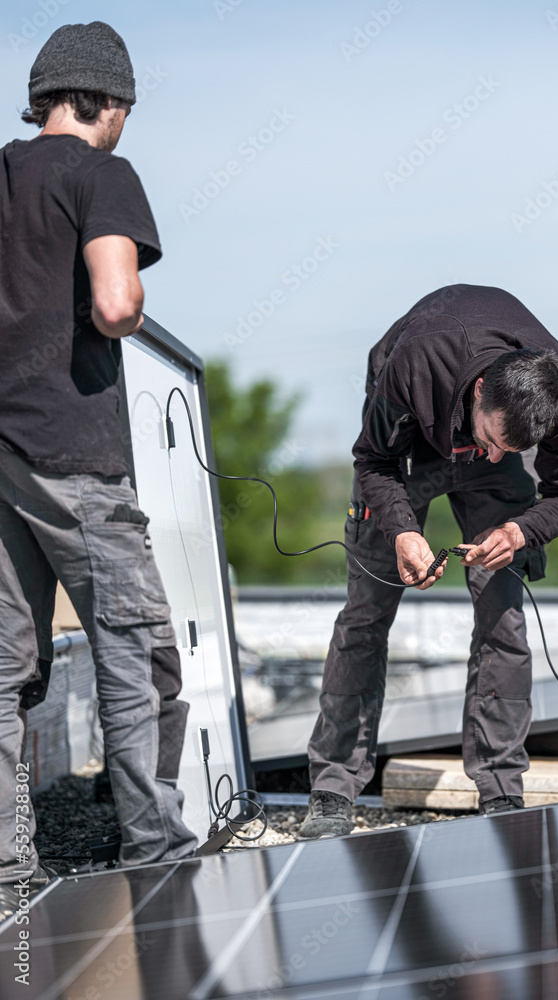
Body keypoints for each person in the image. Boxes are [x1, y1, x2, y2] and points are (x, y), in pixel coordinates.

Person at [0, 22, 197, 919]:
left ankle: (8, 874)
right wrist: (121, 305)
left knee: (4, 669)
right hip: (75, 454)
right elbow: (116, 305)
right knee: (138, 650)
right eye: (125, 112)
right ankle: (154, 861)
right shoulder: (101, 174)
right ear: (104, 104)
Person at [299, 284, 558, 839]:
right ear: (481, 390)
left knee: (503, 618)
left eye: (514, 448)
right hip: (406, 451)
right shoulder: (417, 361)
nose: (496, 456)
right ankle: (333, 790)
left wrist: (521, 529)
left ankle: (502, 790)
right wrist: (404, 532)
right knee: (366, 614)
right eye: (491, 437)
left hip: (482, 460)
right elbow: (372, 459)